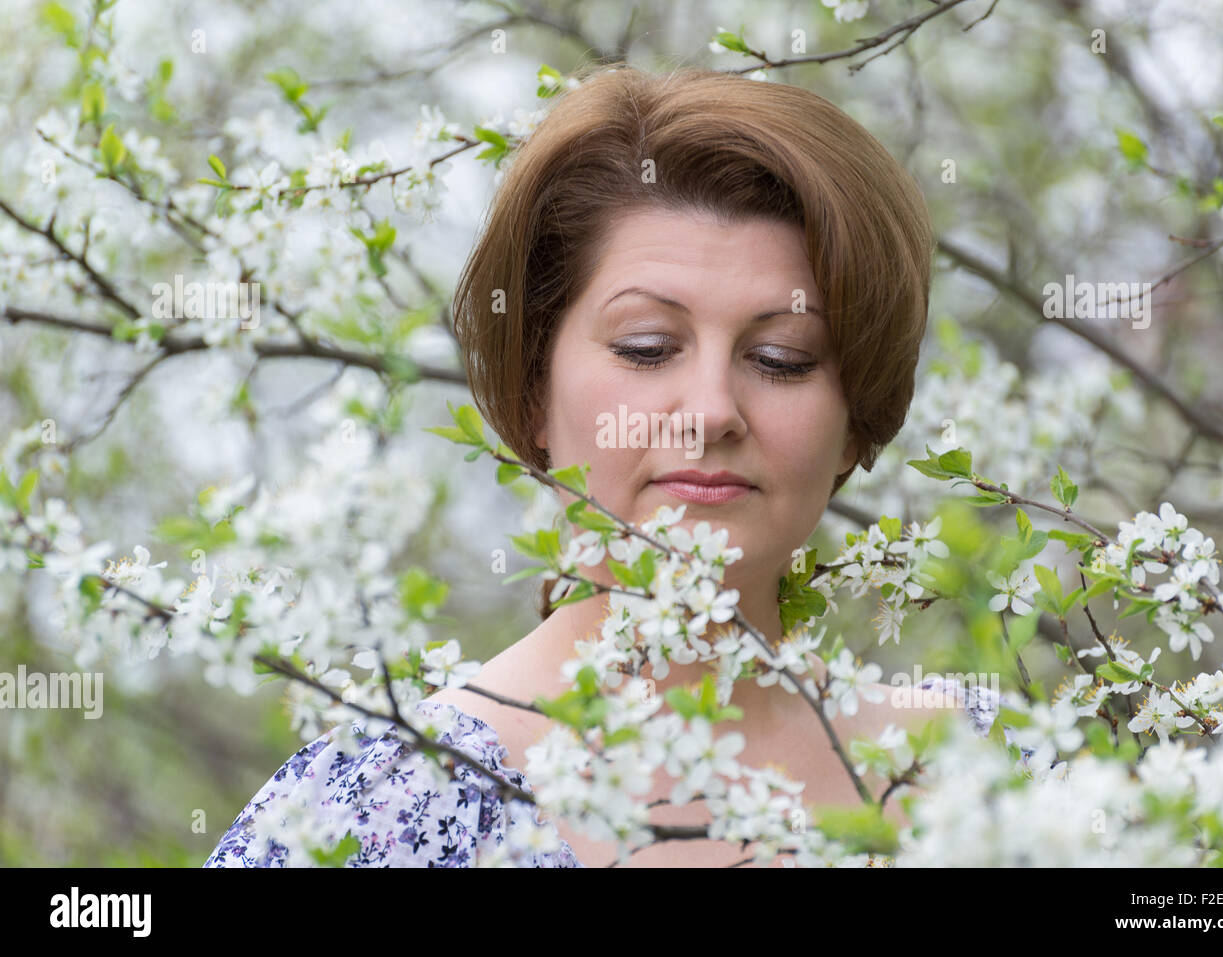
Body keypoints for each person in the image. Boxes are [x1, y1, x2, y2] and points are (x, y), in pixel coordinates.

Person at [205, 63, 1011, 869]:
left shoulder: (996, 774)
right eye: (646, 348)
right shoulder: (382, 812)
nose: (711, 412)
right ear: (531, 392)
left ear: (853, 423)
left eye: (781, 358)